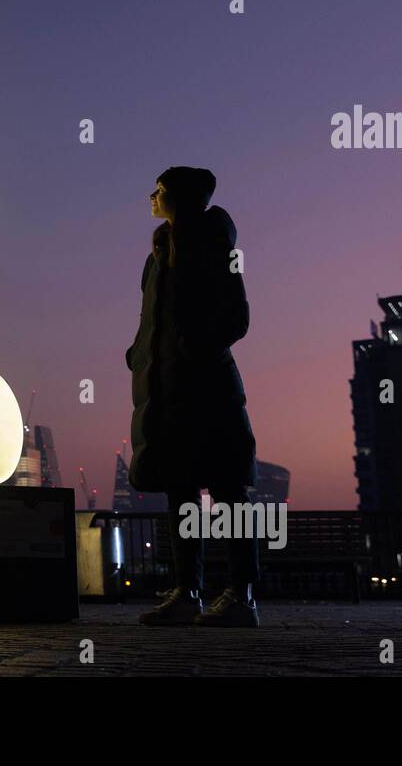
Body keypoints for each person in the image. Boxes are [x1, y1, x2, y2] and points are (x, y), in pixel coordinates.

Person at [124, 166, 260, 627]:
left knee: (228, 490)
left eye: (158, 191)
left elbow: (237, 317)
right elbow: (152, 320)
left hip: (208, 387)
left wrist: (193, 347)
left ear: (178, 197)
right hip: (165, 390)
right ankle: (188, 592)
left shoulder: (214, 244)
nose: (151, 197)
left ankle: (241, 596)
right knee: (180, 490)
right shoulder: (156, 255)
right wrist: (140, 354)